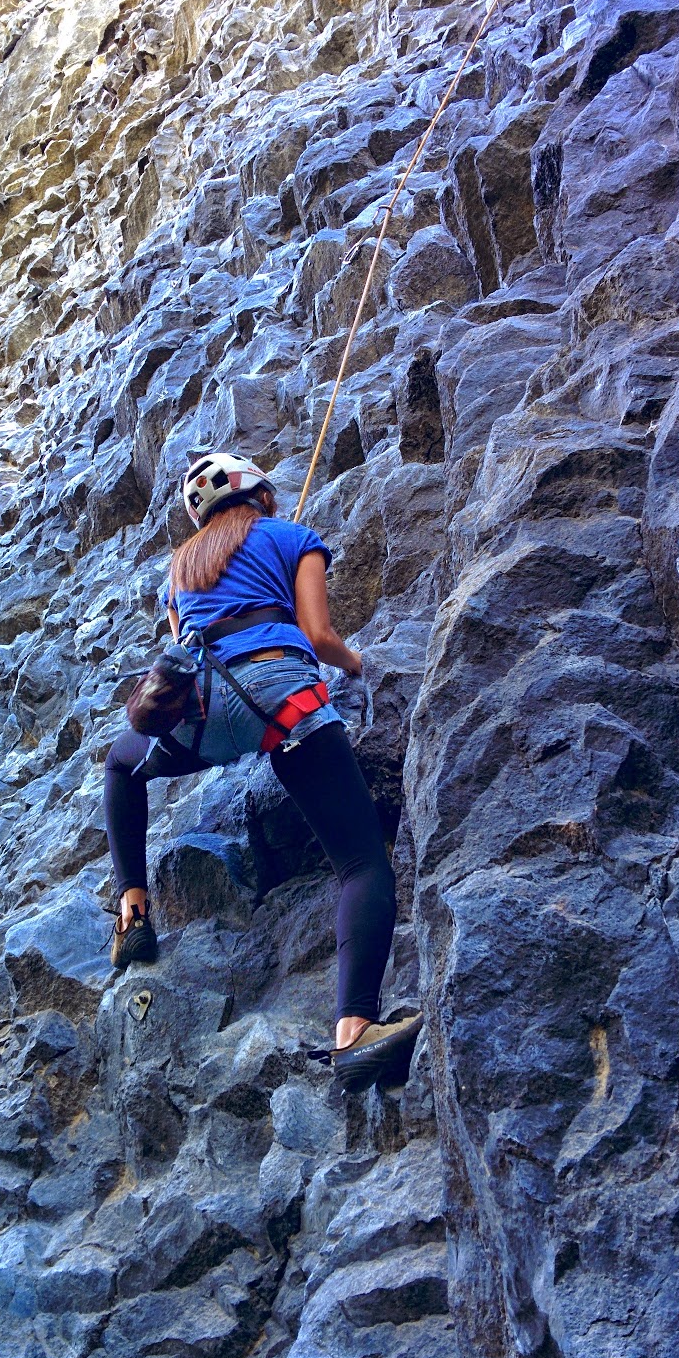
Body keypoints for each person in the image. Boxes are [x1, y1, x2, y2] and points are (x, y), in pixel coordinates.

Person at [102, 450, 422, 1093]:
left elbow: (190, 642)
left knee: (120, 761)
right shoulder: (292, 536)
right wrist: (361, 665)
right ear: (261, 494)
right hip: (281, 706)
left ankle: (133, 911)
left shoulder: (179, 570)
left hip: (202, 711)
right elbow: (318, 634)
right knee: (360, 863)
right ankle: (354, 1031)